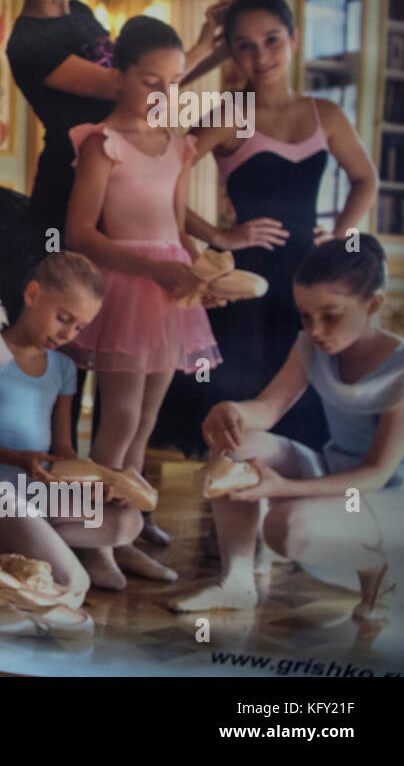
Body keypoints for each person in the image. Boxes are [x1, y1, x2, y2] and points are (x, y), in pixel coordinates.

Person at [155, 0, 379, 456]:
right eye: (245, 46)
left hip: (310, 272)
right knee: (239, 391)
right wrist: (216, 235)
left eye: (271, 40)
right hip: (248, 278)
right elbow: (163, 175)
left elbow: (365, 179)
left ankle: (289, 496)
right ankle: (232, 499)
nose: (260, 56)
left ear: (294, 40)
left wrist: (339, 234)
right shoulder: (230, 115)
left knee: (302, 382)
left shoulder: (325, 114)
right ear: (232, 53)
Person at [170, 235, 403, 622]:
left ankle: (382, 568)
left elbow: (376, 473)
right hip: (334, 470)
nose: (315, 329)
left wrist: (284, 488)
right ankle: (237, 582)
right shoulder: (310, 345)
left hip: (384, 495)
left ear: (373, 304)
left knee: (286, 529)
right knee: (236, 442)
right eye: (305, 316)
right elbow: (269, 407)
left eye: (330, 315)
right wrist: (233, 409)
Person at [65, 16, 220, 588]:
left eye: (174, 82)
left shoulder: (177, 147)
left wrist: (202, 278)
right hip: (126, 289)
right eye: (151, 80)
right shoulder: (101, 143)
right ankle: (93, 541)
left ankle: (123, 536)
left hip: (171, 295)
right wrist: (155, 267)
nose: (164, 94)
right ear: (120, 78)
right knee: (122, 415)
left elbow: (179, 234)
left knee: (147, 420)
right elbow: (80, 233)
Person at [3, 0, 221, 241]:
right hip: (71, 178)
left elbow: (152, 85)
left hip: (121, 170)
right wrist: (203, 49)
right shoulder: (28, 43)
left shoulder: (81, 13)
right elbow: (121, 87)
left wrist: (220, 49)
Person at [0, 251, 140, 602]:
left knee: (128, 521)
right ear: (32, 296)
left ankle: (16, 546)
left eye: (79, 327)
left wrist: (95, 483)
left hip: (40, 491)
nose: (68, 334)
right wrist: (19, 459)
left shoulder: (63, 367)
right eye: (64, 318)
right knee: (74, 582)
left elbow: (63, 448)